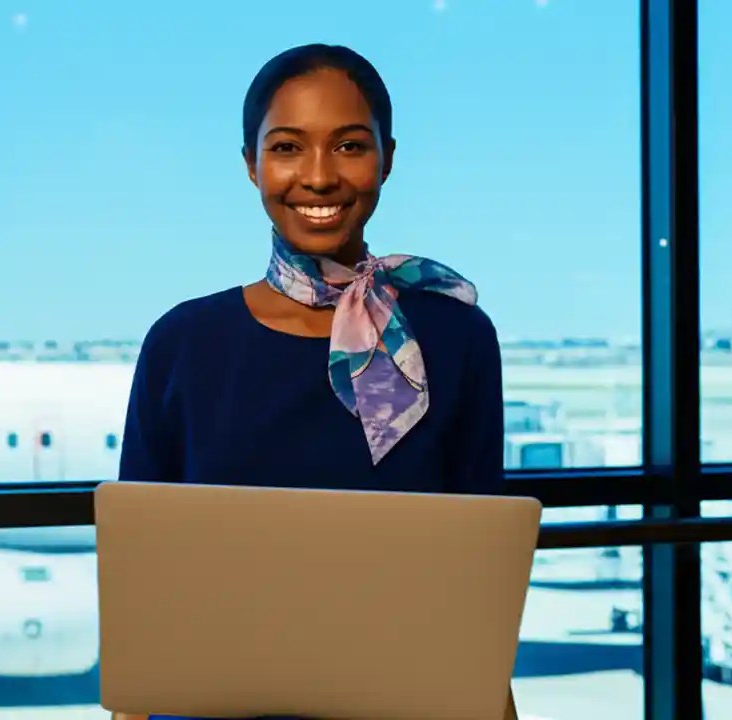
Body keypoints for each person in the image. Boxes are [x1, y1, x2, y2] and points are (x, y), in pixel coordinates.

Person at [112, 43, 518, 720]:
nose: (319, 177)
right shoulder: (182, 343)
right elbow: (142, 587)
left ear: (388, 156)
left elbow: (478, 587)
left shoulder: (458, 339)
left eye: (351, 146)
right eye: (288, 148)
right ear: (251, 164)